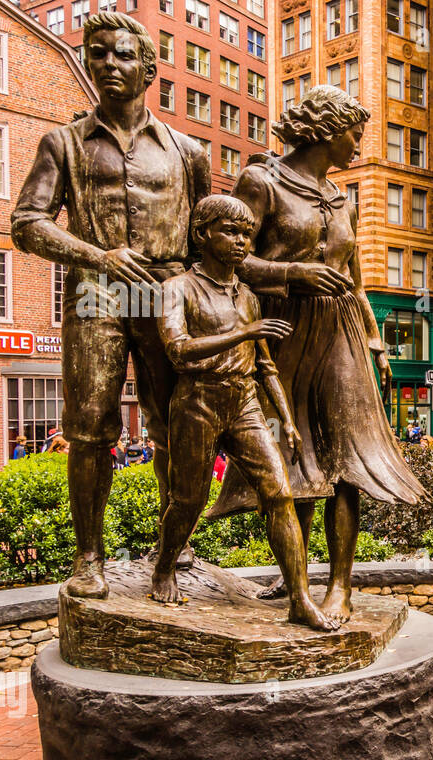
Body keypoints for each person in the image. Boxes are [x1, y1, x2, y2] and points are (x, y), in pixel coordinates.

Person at [12, 12, 213, 599]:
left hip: (168, 294)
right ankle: (88, 556)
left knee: (175, 426)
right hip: (95, 293)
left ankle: (174, 547)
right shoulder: (64, 142)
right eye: (97, 54)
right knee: (90, 429)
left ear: (149, 69)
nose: (107, 65)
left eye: (122, 56)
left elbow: (206, 236)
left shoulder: (187, 150)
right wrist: (98, 256)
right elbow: (26, 223)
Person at [208, 85, 425, 623]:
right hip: (282, 330)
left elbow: (353, 279)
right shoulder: (261, 182)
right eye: (354, 134)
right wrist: (291, 273)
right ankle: (295, 579)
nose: (358, 144)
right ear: (327, 130)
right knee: (294, 454)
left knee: (345, 455)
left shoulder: (341, 196)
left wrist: (375, 340)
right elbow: (229, 261)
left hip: (341, 331)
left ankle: (342, 585)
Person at [152, 194, 335, 631]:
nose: (240, 241)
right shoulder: (177, 288)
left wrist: (287, 420)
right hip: (196, 401)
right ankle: (163, 565)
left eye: (246, 233)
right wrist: (244, 331)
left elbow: (266, 365)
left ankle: (300, 599)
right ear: (202, 235)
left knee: (279, 493)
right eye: (229, 231)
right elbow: (178, 350)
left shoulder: (248, 296)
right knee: (188, 500)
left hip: (244, 402)